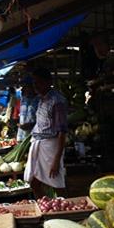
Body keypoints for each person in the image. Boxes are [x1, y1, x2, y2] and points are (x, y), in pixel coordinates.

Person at [24, 68, 68, 198]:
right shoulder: (42, 99)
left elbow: (62, 132)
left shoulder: (57, 101)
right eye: (34, 83)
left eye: (38, 83)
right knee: (34, 182)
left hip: (51, 147)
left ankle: (65, 207)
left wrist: (56, 159)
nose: (36, 86)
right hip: (39, 144)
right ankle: (46, 207)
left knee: (56, 182)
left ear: (48, 82)